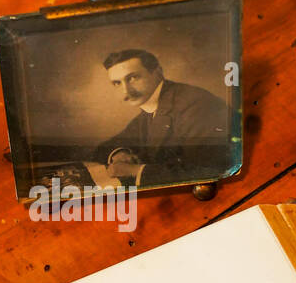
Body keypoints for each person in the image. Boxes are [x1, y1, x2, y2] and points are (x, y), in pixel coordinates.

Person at [92, 49, 229, 188]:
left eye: (132, 78)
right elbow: (104, 147)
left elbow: (208, 171)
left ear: (158, 72)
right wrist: (120, 153)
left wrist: (136, 171)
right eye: (117, 83)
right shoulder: (150, 106)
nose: (126, 91)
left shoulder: (195, 105)